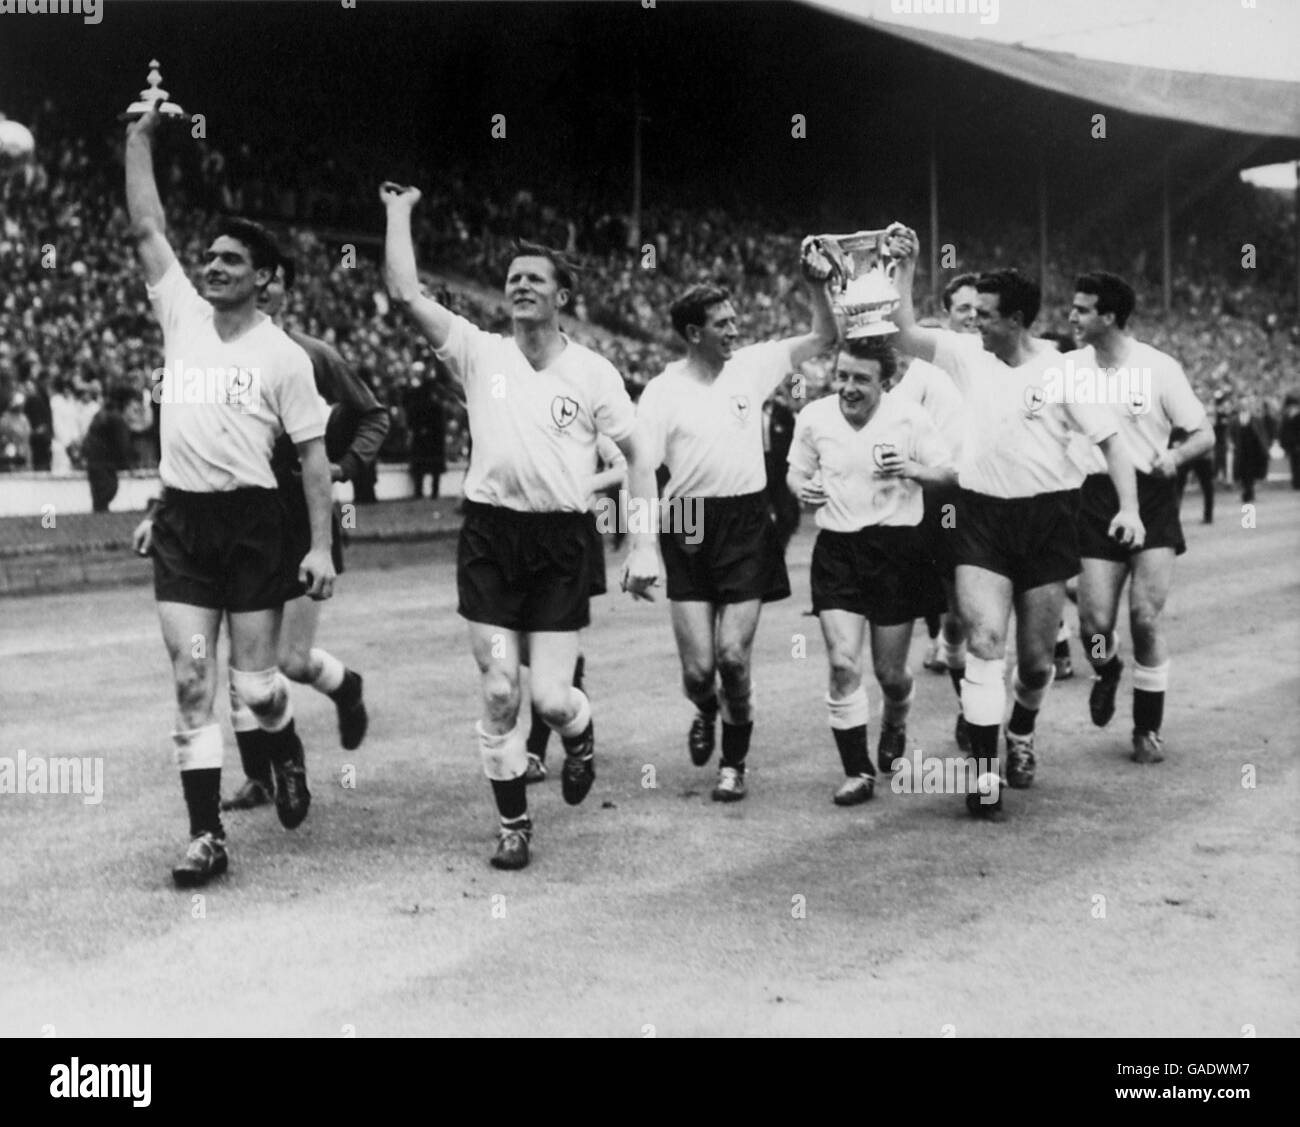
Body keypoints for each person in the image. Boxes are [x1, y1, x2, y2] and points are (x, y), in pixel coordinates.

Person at [381, 183, 660, 871]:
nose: (521, 287)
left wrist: (646, 542)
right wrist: (398, 213)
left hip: (562, 541)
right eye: (512, 279)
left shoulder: (593, 372)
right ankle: (513, 824)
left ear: (563, 293)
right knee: (502, 689)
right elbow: (409, 295)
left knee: (551, 697)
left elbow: (640, 454)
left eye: (535, 278)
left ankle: (581, 730)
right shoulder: (480, 353)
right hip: (490, 538)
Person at [126, 103, 336, 887]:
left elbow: (314, 462)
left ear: (264, 278)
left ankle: (282, 745)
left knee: (255, 687)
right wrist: (137, 138)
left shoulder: (285, 358)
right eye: (208, 256)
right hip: (183, 522)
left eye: (229, 260)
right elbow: (148, 228)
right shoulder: (180, 313)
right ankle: (206, 834)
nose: (211, 266)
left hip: (254, 524)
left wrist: (318, 545)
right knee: (192, 680)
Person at [887, 227, 1144, 817]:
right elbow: (903, 330)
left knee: (1032, 663)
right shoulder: (964, 355)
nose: (974, 324)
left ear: (1019, 320)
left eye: (987, 316)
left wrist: (1129, 508)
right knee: (982, 642)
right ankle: (983, 775)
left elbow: (1113, 444)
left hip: (1047, 520)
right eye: (972, 314)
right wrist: (909, 265)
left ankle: (1021, 733)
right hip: (980, 519)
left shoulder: (1062, 371)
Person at [135, 254, 389, 810]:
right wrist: (160, 509)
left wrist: (343, 468)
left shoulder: (307, 357)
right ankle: (260, 776)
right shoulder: (208, 348)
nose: (265, 294)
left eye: (274, 286)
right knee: (230, 666)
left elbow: (375, 416)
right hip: (227, 520)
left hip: (296, 521)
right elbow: (191, 446)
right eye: (261, 284)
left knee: (289, 662)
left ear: (282, 291)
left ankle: (346, 687)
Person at [636, 265, 836, 802]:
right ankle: (704, 707)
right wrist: (642, 547)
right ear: (693, 333)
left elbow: (824, 336)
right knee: (701, 672)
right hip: (689, 523)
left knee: (732, 657)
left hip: (748, 520)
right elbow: (641, 472)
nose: (734, 330)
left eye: (735, 320)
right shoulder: (661, 392)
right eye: (721, 323)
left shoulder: (752, 366)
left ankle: (735, 762)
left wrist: (816, 282)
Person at [787, 335, 953, 805]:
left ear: (886, 381)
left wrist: (913, 469)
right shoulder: (814, 417)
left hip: (897, 551)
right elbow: (795, 472)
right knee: (842, 663)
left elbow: (948, 473)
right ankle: (857, 771)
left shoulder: (909, 418)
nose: (848, 387)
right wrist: (803, 488)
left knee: (890, 673)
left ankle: (896, 719)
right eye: (841, 376)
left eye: (861, 378)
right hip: (837, 550)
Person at [1068, 272, 1213, 765]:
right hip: (1094, 497)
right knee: (1094, 623)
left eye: (1082, 309)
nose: (1072, 316)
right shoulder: (1069, 368)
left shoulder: (1158, 368)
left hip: (1151, 496)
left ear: (1109, 317)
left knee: (1145, 619)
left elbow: (1203, 433)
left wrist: (1175, 457)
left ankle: (1146, 729)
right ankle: (1107, 671)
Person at [892, 273, 977, 743]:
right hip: (942, 495)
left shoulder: (999, 360)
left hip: (993, 495)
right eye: (963, 308)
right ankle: (964, 703)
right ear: (946, 312)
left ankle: (977, 707)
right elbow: (897, 417)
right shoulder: (928, 366)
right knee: (950, 606)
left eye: (978, 308)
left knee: (971, 608)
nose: (972, 317)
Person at [524, 432, 627, 783]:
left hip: (573, 535)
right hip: (524, 533)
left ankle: (535, 750)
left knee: (547, 644)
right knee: (531, 650)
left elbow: (623, 464)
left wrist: (587, 482)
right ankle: (574, 693)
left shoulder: (582, 407)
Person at [83, 385, 134, 511]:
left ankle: (99, 515)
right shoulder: (115, 417)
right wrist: (127, 462)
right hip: (104, 461)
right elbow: (122, 442)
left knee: (101, 495)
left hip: (95, 459)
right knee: (109, 489)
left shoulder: (102, 414)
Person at [762, 388, 799, 553]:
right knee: (687, 546)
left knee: (788, 513)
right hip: (686, 494)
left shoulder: (781, 412)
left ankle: (775, 549)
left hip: (778, 467)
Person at [405, 363, 447, 498]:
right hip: (432, 438)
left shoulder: (418, 400)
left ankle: (421, 492)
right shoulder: (435, 402)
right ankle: (432, 492)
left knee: (422, 467)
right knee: (431, 467)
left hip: (425, 437)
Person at [1231, 394, 1271, 504]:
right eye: (1242, 404)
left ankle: (1248, 493)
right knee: (1243, 472)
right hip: (1241, 450)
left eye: (1245, 404)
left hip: (1253, 451)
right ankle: (1248, 493)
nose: (1243, 406)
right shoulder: (1235, 420)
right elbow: (1232, 434)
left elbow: (1261, 434)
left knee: (1251, 472)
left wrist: (1264, 448)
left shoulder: (1255, 419)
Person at [22, 376, 52, 471]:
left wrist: (42, 429)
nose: (28, 389)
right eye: (26, 388)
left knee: (42, 462)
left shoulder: (37, 400)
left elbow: (45, 417)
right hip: (34, 436)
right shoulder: (28, 401)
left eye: (29, 387)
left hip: (40, 436)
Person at [0, 393, 31, 471]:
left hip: (22, 449)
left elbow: (27, 434)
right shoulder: (5, 418)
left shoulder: (23, 418)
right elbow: (3, 434)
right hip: (9, 449)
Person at [1279, 392, 1300, 490]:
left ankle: (1296, 483)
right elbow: (1283, 432)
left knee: (1295, 464)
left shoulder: (1287, 417)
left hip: (1295, 443)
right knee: (1294, 464)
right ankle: (1296, 483)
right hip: (1292, 444)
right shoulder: (1286, 417)